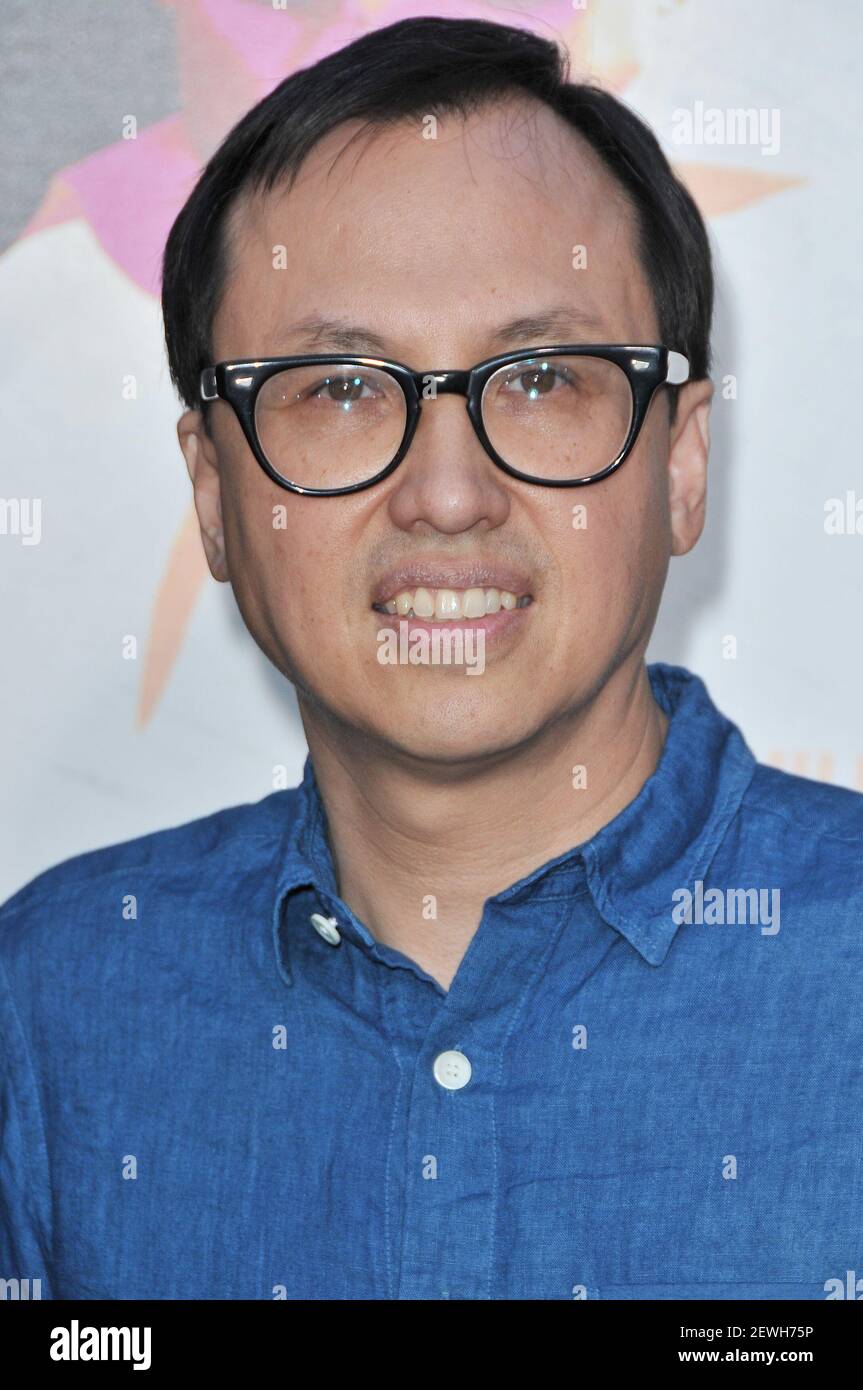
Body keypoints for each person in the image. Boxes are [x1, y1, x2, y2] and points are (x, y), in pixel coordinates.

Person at [1, 16, 860, 1303]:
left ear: (680, 463)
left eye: (538, 379)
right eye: (340, 388)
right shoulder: (52, 1003)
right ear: (215, 494)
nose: (446, 494)